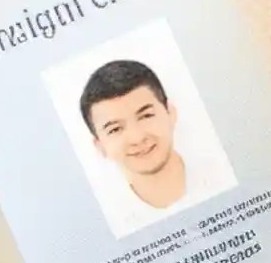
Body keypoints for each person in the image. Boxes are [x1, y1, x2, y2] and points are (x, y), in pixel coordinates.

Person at [80, 60, 192, 212]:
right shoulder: (113, 216)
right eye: (115, 129)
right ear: (100, 146)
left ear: (170, 113)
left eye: (146, 116)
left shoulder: (222, 172)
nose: (137, 138)